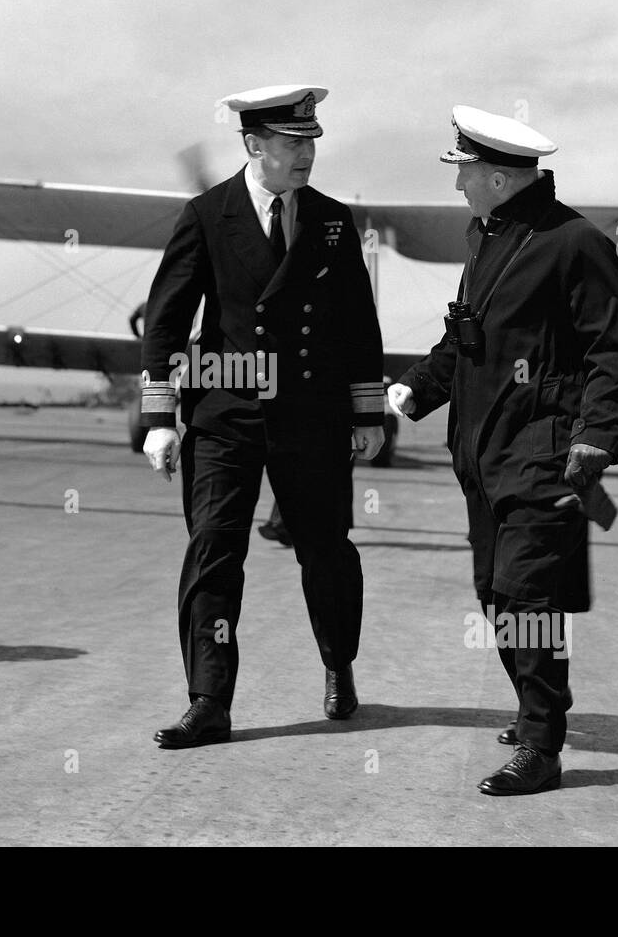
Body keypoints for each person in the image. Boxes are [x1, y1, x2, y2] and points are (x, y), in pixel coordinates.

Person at [388, 105, 618, 795]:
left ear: (499, 178)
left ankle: (542, 742)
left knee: (527, 592)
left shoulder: (576, 243)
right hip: (481, 452)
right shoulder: (487, 235)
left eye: (465, 172)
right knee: (493, 592)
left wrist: (593, 442)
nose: (458, 185)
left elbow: (615, 352)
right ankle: (534, 709)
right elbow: (467, 340)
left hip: (544, 452)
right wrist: (413, 389)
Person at [140, 85, 385, 748]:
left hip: (312, 417)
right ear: (254, 145)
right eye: (292, 143)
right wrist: (160, 417)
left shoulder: (334, 221)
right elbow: (165, 321)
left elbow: (360, 323)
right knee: (213, 553)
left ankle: (338, 663)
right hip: (227, 414)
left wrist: (368, 414)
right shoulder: (206, 215)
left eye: (311, 143)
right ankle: (209, 701)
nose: (306, 154)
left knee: (326, 553)